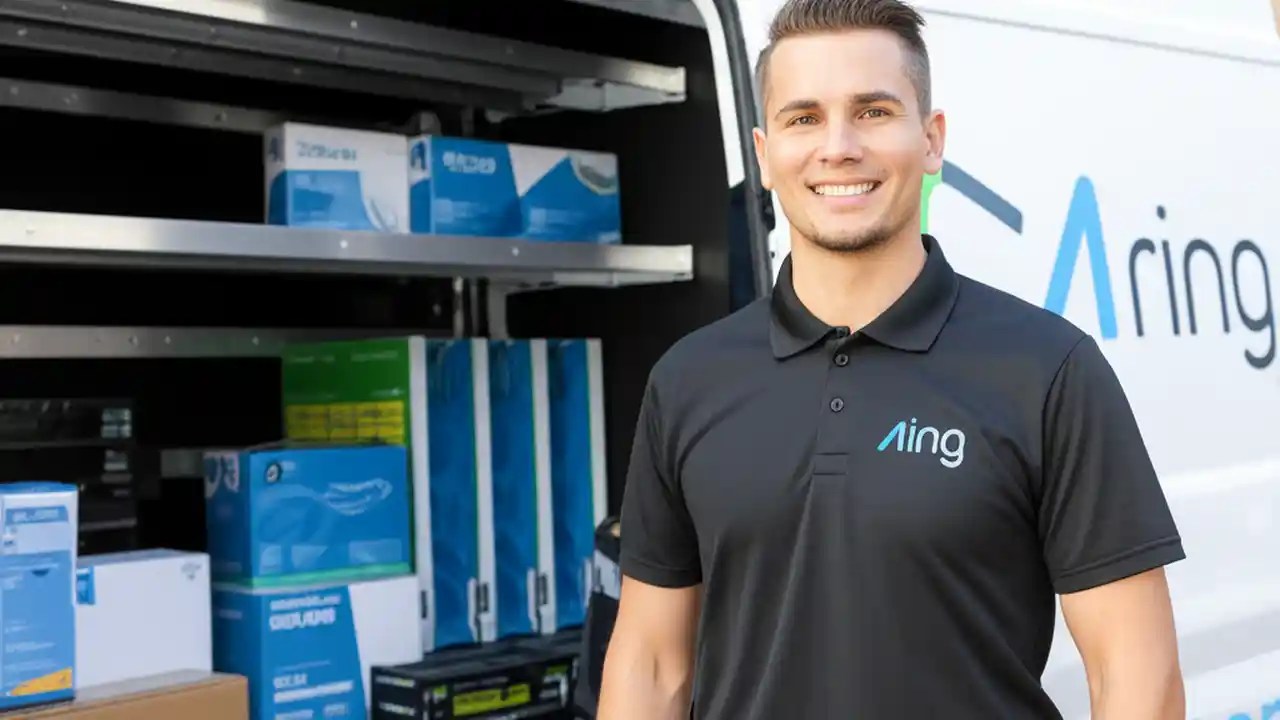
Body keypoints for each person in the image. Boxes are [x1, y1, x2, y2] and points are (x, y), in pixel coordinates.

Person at [596, 0, 1187, 717]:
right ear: (763, 153)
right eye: (803, 117)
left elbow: (1136, 677)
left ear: (931, 139)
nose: (838, 146)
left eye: (873, 111)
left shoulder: (1048, 369)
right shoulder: (688, 381)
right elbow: (653, 667)